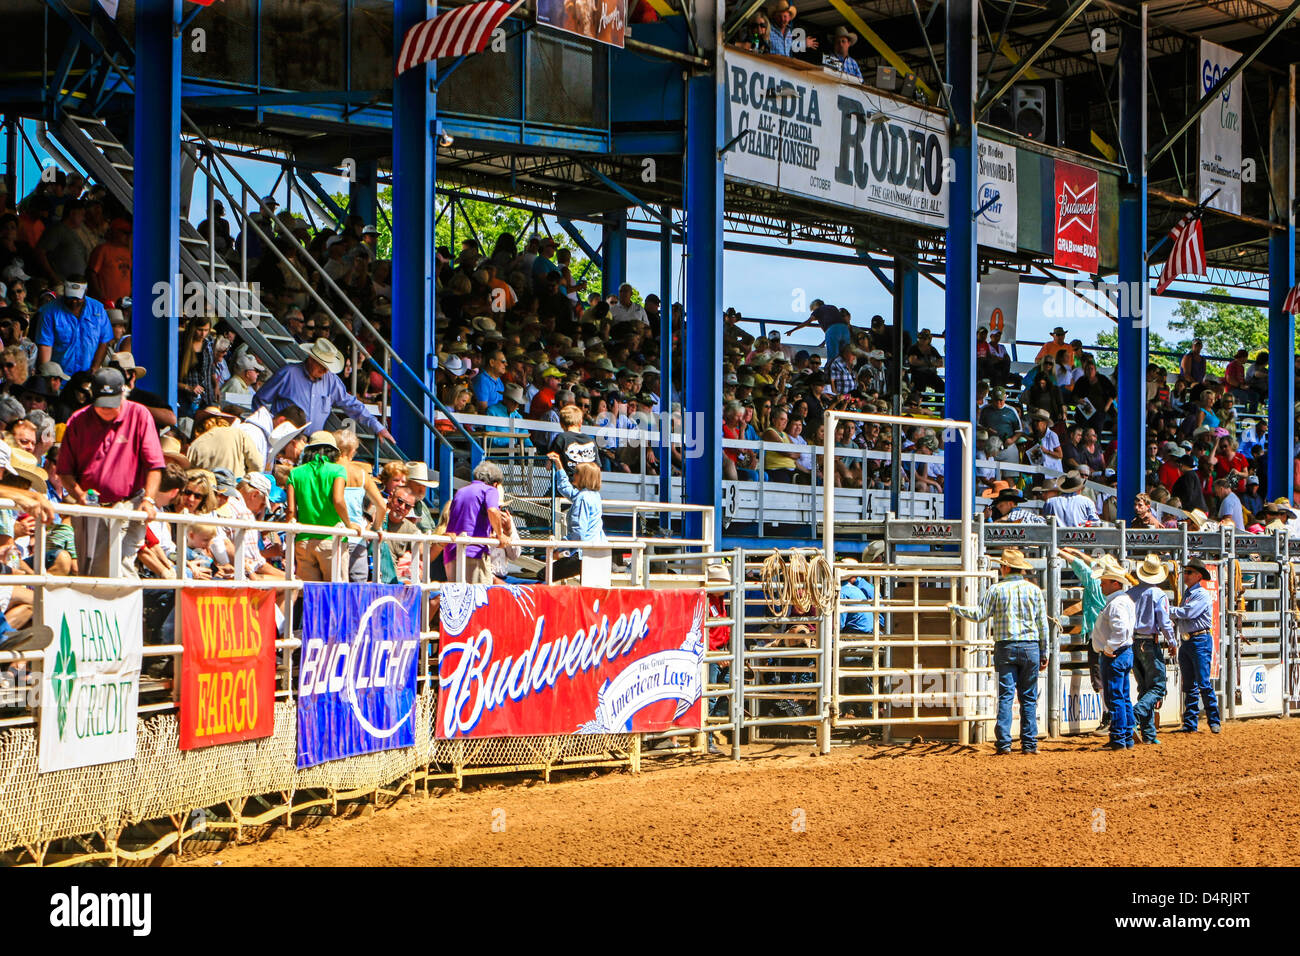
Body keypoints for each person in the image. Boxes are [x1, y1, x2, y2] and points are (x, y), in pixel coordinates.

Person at [55, 367, 163, 577]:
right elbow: (65, 471)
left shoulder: (139, 414)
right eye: (102, 404)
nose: (107, 410)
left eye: (112, 405)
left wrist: (149, 499)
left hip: (129, 502)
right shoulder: (78, 420)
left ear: (122, 393)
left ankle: (127, 609)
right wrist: (79, 494)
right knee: (91, 571)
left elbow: (155, 465)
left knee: (119, 567)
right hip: (92, 506)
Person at [949, 548, 1048, 756]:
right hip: (1030, 646)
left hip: (1006, 646)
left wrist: (956, 609)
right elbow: (1042, 625)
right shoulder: (1034, 591)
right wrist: (1044, 651)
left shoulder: (996, 590)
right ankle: (1029, 744)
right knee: (1028, 697)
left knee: (1006, 694)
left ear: (1005, 567)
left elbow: (980, 615)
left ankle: (1004, 743)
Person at [253, 337, 395, 440]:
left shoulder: (331, 380)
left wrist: (377, 426)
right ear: (311, 359)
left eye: (328, 366)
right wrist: (269, 426)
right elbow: (260, 399)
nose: (326, 370)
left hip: (312, 442)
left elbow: (350, 403)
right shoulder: (288, 374)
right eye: (322, 365)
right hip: (283, 439)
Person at [285, 430, 363, 582]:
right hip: (331, 541)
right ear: (333, 451)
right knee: (336, 595)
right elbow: (338, 500)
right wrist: (348, 524)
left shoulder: (295, 473)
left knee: (309, 595)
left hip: (304, 541)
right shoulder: (338, 470)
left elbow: (290, 510)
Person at [1059, 546, 1110, 733]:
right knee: (1110, 676)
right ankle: (1115, 715)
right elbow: (1089, 564)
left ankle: (1108, 715)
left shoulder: (1095, 583)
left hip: (1097, 635)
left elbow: (1080, 567)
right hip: (1110, 635)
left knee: (1099, 675)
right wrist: (1078, 553)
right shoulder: (1108, 583)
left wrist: (1059, 552)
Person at [1128, 554, 1175, 746]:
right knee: (1158, 686)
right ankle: (1134, 717)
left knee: (1145, 688)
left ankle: (1148, 733)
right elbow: (1164, 620)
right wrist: (1172, 641)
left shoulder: (1130, 593)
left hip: (1133, 642)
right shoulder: (1158, 594)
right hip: (1149, 642)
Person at [1170, 558, 1221, 734]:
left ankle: (1213, 720)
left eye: (1189, 572)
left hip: (1198, 640)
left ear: (1198, 576)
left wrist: (1167, 610)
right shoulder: (1191, 593)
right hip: (1190, 640)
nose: (1186, 575)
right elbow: (1185, 613)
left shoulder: (1200, 594)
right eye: (1186, 572)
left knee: (1202, 682)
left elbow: (1188, 613)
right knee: (1190, 683)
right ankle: (1192, 723)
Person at [1092, 556, 1137, 750]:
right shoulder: (1123, 600)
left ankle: (1119, 738)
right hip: (1123, 652)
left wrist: (1109, 648)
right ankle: (1125, 736)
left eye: (1104, 582)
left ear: (1115, 583)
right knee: (1123, 696)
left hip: (1115, 654)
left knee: (1115, 697)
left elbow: (1121, 630)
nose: (1101, 585)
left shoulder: (1117, 603)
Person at [442, 461, 509, 584]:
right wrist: (500, 535)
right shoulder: (490, 490)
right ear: (495, 484)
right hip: (473, 553)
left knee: (457, 600)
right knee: (478, 599)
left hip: (451, 553)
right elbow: (493, 511)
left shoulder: (461, 491)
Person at [34, 276, 112, 378]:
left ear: (86, 292)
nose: (74, 301)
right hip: (59, 377)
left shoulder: (98, 309)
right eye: (70, 297)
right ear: (65, 291)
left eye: (77, 298)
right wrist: (48, 377)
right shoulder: (49, 312)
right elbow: (45, 346)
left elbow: (104, 341)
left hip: (88, 376)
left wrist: (95, 368)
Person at [546, 452, 608, 581]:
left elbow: (578, 532)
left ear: (583, 477)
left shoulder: (582, 498)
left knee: (545, 575)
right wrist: (559, 466)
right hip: (597, 550)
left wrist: (560, 548)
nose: (574, 475)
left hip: (582, 553)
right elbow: (566, 489)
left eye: (576, 473)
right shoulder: (594, 496)